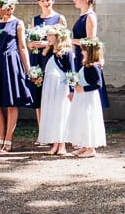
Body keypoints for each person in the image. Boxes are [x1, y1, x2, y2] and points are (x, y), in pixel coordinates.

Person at [0, 0, 33, 153]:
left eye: (8, 6)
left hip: (11, 62)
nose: (6, 8)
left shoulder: (18, 23)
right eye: (1, 5)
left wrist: (28, 70)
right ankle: (0, 137)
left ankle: (8, 139)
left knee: (11, 102)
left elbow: (22, 47)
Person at [26, 0, 67, 129]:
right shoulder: (35, 19)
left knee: (53, 94)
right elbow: (29, 43)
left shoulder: (59, 18)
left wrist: (48, 43)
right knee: (39, 95)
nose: (46, 3)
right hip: (37, 59)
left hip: (52, 59)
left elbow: (65, 41)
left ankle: (54, 130)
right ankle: (42, 130)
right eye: (43, 0)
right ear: (38, 2)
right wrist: (31, 44)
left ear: (53, 0)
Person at [37, 25, 75, 156]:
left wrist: (71, 89)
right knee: (51, 113)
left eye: (50, 35)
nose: (47, 38)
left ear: (58, 37)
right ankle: (54, 144)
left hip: (61, 86)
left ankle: (62, 144)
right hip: (49, 85)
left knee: (61, 113)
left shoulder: (67, 52)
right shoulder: (47, 52)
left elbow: (71, 71)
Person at [66, 38, 107, 157]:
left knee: (88, 120)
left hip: (88, 98)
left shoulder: (94, 66)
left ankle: (90, 148)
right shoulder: (86, 65)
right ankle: (84, 146)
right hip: (82, 98)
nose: (81, 52)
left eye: (84, 50)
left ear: (90, 52)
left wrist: (83, 89)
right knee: (82, 120)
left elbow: (98, 84)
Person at [71, 0, 109, 109]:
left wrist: (70, 41)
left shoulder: (90, 17)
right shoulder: (82, 16)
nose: (74, 0)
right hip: (79, 55)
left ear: (86, 0)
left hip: (86, 58)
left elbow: (90, 42)